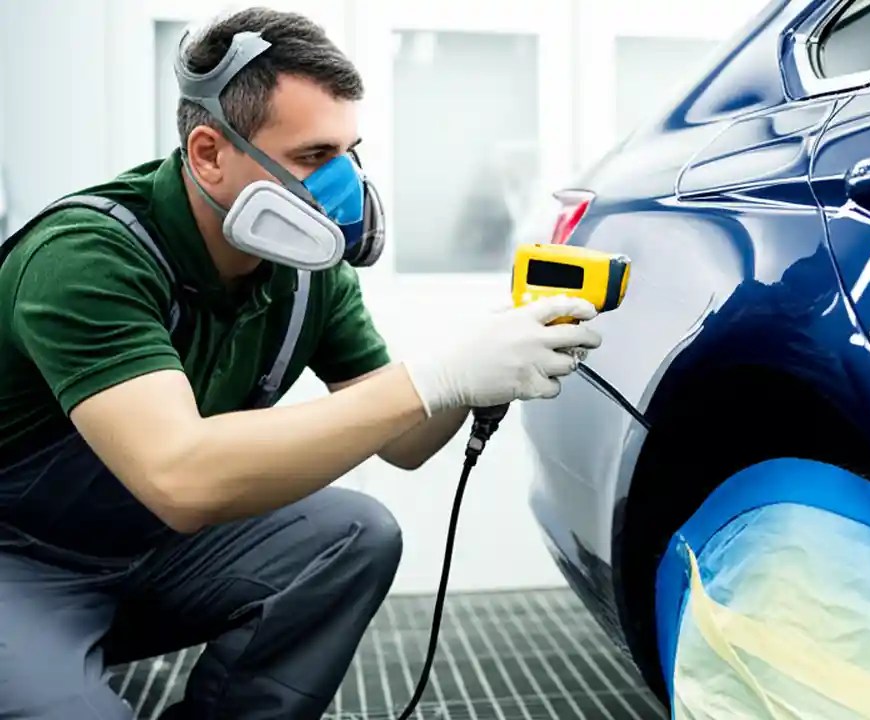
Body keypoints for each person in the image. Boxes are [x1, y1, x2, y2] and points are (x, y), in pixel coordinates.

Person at [0, 7, 601, 719]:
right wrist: (435, 378)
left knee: (355, 534)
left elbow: (404, 440)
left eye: (352, 151)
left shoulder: (305, 273)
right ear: (208, 154)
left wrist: (483, 362)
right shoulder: (85, 258)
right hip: (23, 560)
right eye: (314, 157)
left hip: (154, 551)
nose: (344, 185)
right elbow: (181, 477)